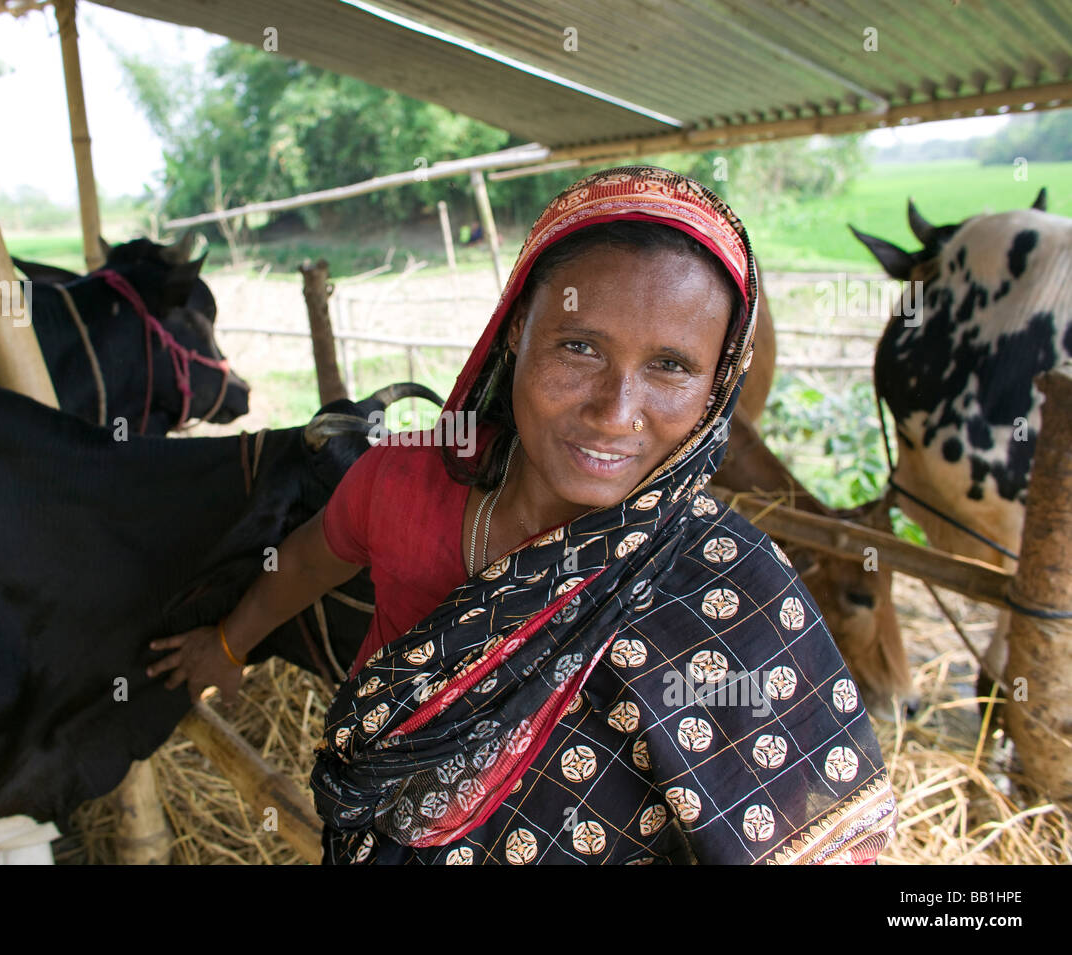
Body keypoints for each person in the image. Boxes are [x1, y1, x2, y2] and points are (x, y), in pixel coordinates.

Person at [148, 165, 897, 865]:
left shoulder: (725, 588)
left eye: (670, 366)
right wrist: (229, 641)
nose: (616, 412)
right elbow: (311, 557)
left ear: (718, 384)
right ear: (515, 329)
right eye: (578, 346)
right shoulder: (407, 480)